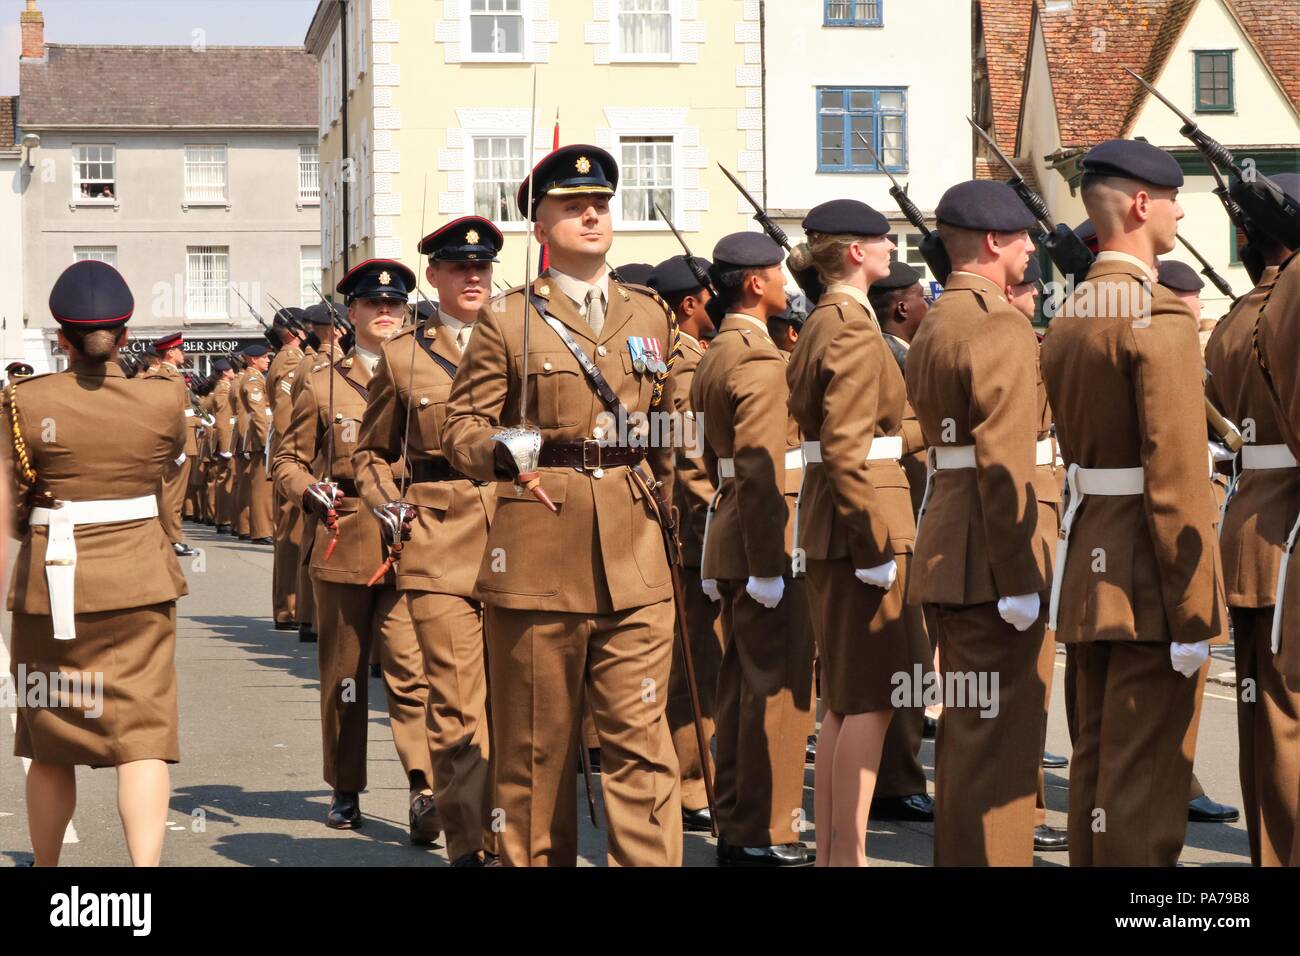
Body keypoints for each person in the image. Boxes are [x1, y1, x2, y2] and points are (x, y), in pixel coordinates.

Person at [440, 144, 683, 866]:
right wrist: (507, 454)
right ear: (538, 223)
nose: (591, 214)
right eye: (573, 204)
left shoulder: (651, 312)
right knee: (536, 756)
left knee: (642, 748)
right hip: (542, 552)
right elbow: (460, 428)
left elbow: (668, 419)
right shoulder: (509, 319)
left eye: (602, 203)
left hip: (636, 555)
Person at [1040, 138, 1227, 866]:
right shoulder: (1159, 315)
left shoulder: (1073, 310)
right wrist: (1192, 606)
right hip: (1148, 573)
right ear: (1143, 205)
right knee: (1145, 781)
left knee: (1096, 763)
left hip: (1090, 558)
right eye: (1175, 197)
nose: (1181, 210)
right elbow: (1178, 475)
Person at [3, 260, 188, 866]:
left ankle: (52, 873)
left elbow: (10, 512)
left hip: (52, 590)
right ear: (126, 336)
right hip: (138, 586)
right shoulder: (165, 398)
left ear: (62, 338)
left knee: (52, 741)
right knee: (142, 739)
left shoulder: (23, 403)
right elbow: (167, 468)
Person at [907, 179, 1051, 866]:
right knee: (1000, 743)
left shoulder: (939, 316)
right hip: (990, 557)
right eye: (1022, 236)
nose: (1029, 249)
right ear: (995, 241)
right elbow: (1003, 458)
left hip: (950, 542)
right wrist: (1021, 574)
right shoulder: (998, 320)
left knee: (969, 736)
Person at [273, 258, 439, 841]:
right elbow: (287, 460)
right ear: (353, 312)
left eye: (396, 305)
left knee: (411, 671)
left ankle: (425, 788)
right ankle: (345, 789)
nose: (386, 313)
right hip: (346, 536)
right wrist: (308, 491)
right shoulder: (321, 382)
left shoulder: (433, 370)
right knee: (344, 678)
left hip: (415, 537)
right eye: (374, 304)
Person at [785, 199, 930, 865]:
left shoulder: (828, 319)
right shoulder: (849, 326)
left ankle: (836, 854)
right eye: (879, 241)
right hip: (861, 526)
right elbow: (846, 448)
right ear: (852, 253)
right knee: (871, 698)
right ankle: (847, 854)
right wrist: (873, 546)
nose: (889, 250)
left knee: (845, 700)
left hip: (838, 521)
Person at [353, 221, 502, 866]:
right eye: (456, 265)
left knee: (520, 703)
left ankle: (510, 833)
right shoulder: (404, 357)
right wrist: (389, 504)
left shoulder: (526, 338)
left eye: (482, 266)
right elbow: (370, 453)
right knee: (459, 704)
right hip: (439, 539)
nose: (473, 276)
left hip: (524, 534)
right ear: (433, 276)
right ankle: (473, 848)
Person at [691, 232, 816, 866]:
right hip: (764, 534)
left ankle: (738, 820)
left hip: (731, 527)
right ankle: (767, 830)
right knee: (776, 689)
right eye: (775, 273)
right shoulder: (761, 360)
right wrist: (771, 563)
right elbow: (764, 467)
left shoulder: (718, 352)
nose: (786, 283)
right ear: (753, 285)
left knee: (740, 685)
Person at [1230, 173, 1300, 866]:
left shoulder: (1234, 321)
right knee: (1285, 718)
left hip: (1251, 519)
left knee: (1264, 718)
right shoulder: (1285, 307)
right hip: (1288, 525)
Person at [647, 253, 722, 833]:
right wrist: (694, 533)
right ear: (691, 304)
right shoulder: (685, 366)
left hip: (688, 527)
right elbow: (682, 459)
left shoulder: (686, 358)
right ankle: (691, 781)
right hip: (688, 529)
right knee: (693, 661)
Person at [864, 258, 938, 821]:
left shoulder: (906, 355)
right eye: (922, 297)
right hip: (899, 515)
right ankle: (897, 780)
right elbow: (885, 435)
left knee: (911, 653)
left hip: (917, 513)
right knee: (904, 654)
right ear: (899, 308)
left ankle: (898, 773)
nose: (929, 306)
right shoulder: (888, 356)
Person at [1002, 256, 1069, 854]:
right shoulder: (1015, 344)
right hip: (1028, 508)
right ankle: (1021, 815)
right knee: (1027, 679)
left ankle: (1019, 812)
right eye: (1028, 285)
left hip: (1039, 497)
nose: (1036, 294)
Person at [267, 308, 309, 631]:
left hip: (289, 456)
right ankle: (290, 607)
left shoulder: (287, 358)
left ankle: (290, 606)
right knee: (291, 534)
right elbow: (285, 416)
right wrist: (293, 459)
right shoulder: (292, 360)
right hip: (292, 457)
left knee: (291, 533)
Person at [142, 333, 199, 557]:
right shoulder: (166, 377)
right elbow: (169, 414)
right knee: (172, 495)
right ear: (170, 352)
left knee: (171, 493)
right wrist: (176, 447)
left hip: (182, 440)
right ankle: (172, 539)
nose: (183, 353)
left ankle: (168, 537)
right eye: (180, 350)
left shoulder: (172, 375)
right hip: (178, 443)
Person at [238, 343, 275, 545]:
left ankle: (262, 529)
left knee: (263, 486)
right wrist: (265, 439)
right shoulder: (253, 379)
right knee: (262, 487)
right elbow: (258, 412)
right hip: (261, 435)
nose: (268, 360)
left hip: (263, 432)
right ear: (253, 360)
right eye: (264, 357)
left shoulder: (257, 378)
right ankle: (261, 531)